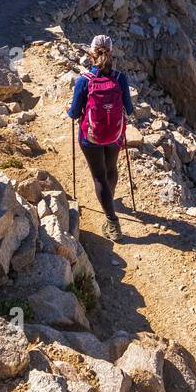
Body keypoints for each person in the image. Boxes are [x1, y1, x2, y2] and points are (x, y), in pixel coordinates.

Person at [67, 34, 134, 242]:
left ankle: (112, 221)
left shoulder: (84, 80)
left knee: (99, 177)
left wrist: (68, 111)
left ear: (91, 53)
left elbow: (75, 112)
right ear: (111, 53)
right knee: (111, 170)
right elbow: (129, 109)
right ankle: (109, 201)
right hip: (114, 134)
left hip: (91, 137)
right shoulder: (120, 78)